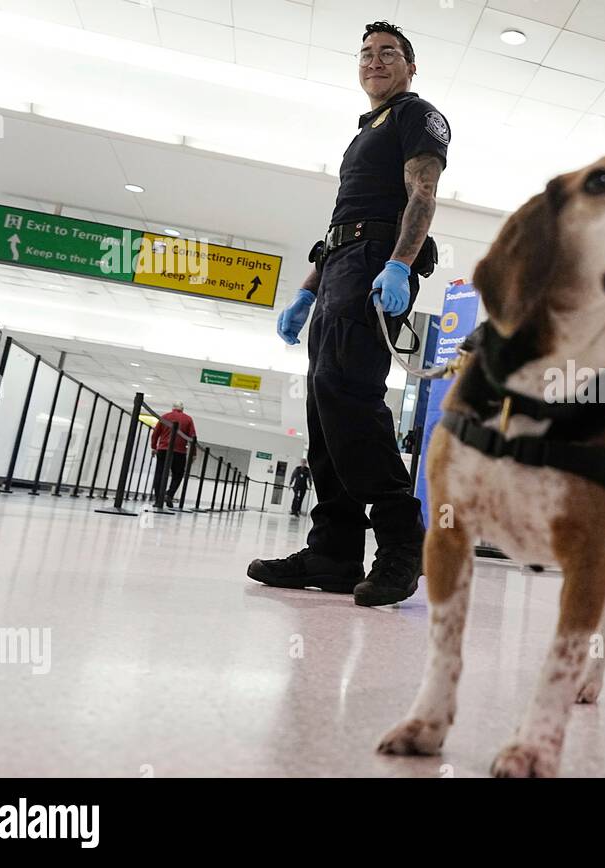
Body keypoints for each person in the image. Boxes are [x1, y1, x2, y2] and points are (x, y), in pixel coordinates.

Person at [247, 20, 448, 608]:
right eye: (365, 54)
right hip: (341, 264)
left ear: (411, 66)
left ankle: (400, 538)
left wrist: (400, 264)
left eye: (389, 53)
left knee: (349, 394)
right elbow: (342, 220)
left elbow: (423, 194)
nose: (375, 61)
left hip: (375, 262)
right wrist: (308, 288)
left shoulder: (418, 115)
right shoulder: (364, 132)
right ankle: (333, 552)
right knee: (322, 404)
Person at [150, 401, 196, 509]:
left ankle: (158, 500)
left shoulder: (165, 417)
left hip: (163, 450)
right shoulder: (188, 419)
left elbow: (155, 434)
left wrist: (154, 447)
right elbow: (193, 437)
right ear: (182, 409)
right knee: (178, 474)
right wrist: (193, 453)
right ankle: (169, 494)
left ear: (172, 408)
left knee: (159, 474)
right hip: (179, 452)